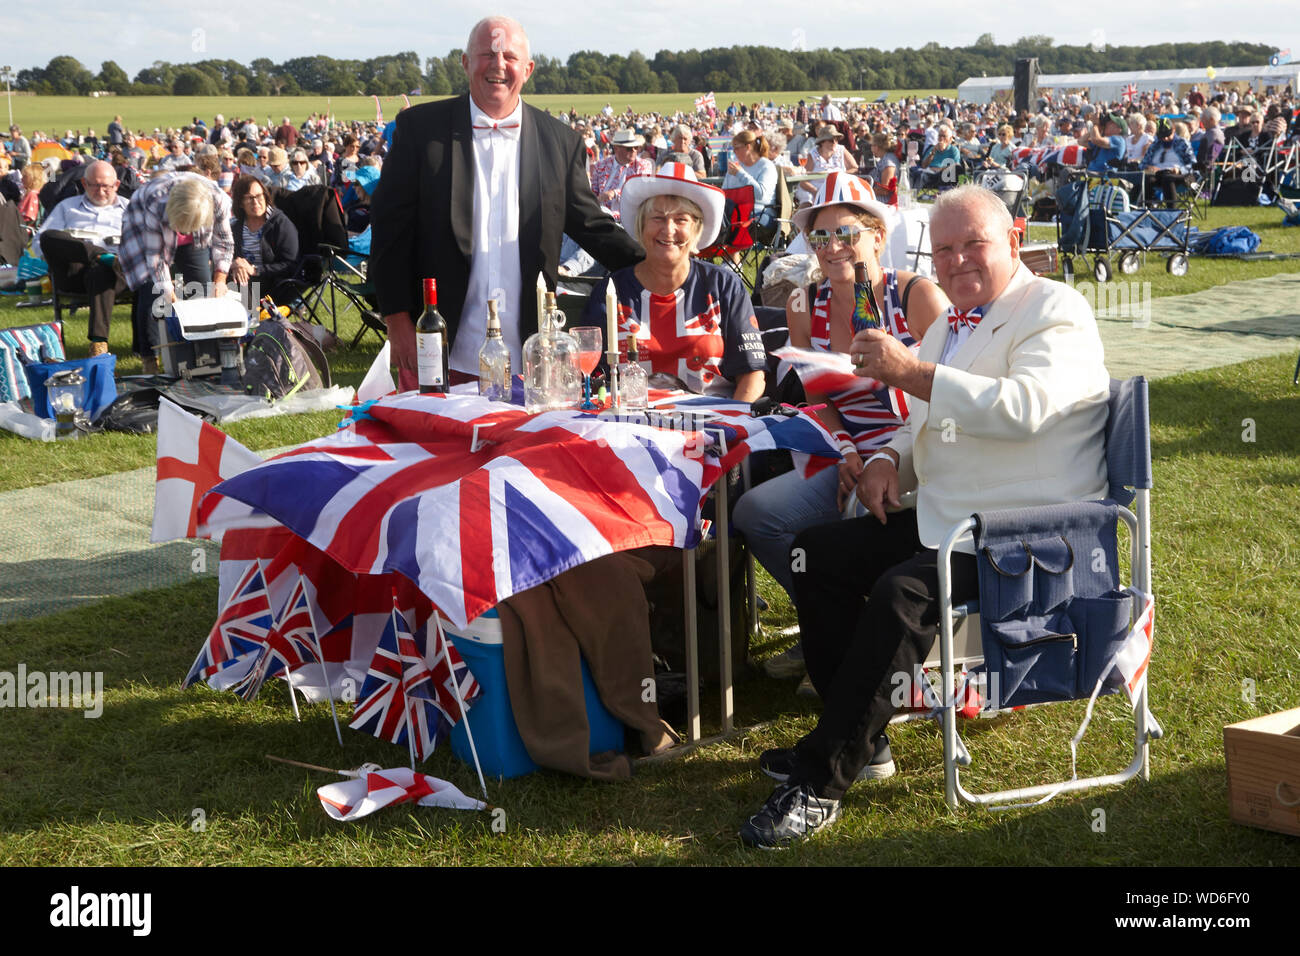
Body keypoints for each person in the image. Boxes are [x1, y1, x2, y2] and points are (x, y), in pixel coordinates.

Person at [737, 185, 1110, 849]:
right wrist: (886, 461)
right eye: (945, 249)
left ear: (1014, 242)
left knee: (901, 594)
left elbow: (1021, 407)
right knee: (811, 555)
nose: (959, 260)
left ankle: (823, 779)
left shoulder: (1056, 310)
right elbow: (920, 424)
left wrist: (913, 371)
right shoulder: (955, 321)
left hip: (1026, 529)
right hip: (951, 512)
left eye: (975, 244)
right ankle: (857, 731)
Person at [734, 173, 947, 683]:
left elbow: (947, 388)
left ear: (877, 234)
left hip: (915, 449)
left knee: (854, 517)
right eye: (820, 236)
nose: (832, 247)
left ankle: (856, 641)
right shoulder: (805, 303)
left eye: (845, 232)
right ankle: (832, 623)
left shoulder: (914, 293)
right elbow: (819, 397)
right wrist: (848, 450)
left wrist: (883, 456)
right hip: (846, 451)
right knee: (754, 512)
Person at [369, 15, 642, 389]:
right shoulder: (420, 130)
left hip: (532, 352)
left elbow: (590, 225)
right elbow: (389, 231)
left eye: (510, 57)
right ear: (466, 63)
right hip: (439, 345)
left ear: (527, 69)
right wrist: (397, 320)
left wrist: (656, 263)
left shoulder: (560, 142)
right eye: (486, 54)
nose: (498, 65)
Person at [582, 164, 766, 400]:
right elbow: (589, 378)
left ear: (697, 228)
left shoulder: (724, 285)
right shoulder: (609, 292)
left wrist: (734, 425)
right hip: (631, 427)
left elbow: (752, 376)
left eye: (681, 220)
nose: (668, 230)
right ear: (641, 225)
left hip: (713, 425)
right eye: (657, 218)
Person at [118, 171, 234, 375]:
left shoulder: (220, 201)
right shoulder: (154, 204)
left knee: (204, 289)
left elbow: (223, 242)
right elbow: (155, 258)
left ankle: (204, 354)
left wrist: (220, 278)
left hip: (197, 238)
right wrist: (169, 295)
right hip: (144, 226)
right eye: (183, 228)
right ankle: (149, 357)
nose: (184, 232)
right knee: (151, 292)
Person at [31, 160, 131, 356]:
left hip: (115, 272)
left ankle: (98, 344)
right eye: (95, 185)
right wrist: (79, 249)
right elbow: (38, 244)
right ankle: (99, 255)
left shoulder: (129, 208)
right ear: (84, 184)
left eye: (106, 186)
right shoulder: (66, 207)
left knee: (101, 271)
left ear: (116, 185)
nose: (101, 191)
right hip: (74, 271)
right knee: (48, 236)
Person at [229, 174, 300, 307]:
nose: (256, 202)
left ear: (266, 197)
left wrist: (255, 270)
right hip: (242, 279)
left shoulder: (280, 223)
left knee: (242, 286)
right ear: (240, 203)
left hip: (273, 281)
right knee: (218, 283)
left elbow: (290, 264)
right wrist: (235, 264)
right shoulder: (236, 226)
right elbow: (226, 255)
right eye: (249, 198)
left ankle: (251, 323)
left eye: (259, 196)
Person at [723, 128, 778, 228]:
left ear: (748, 147)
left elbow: (761, 195)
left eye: (737, 148)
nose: (734, 152)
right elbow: (724, 193)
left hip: (761, 213)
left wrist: (740, 174)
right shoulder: (736, 166)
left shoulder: (766, 166)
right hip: (738, 212)